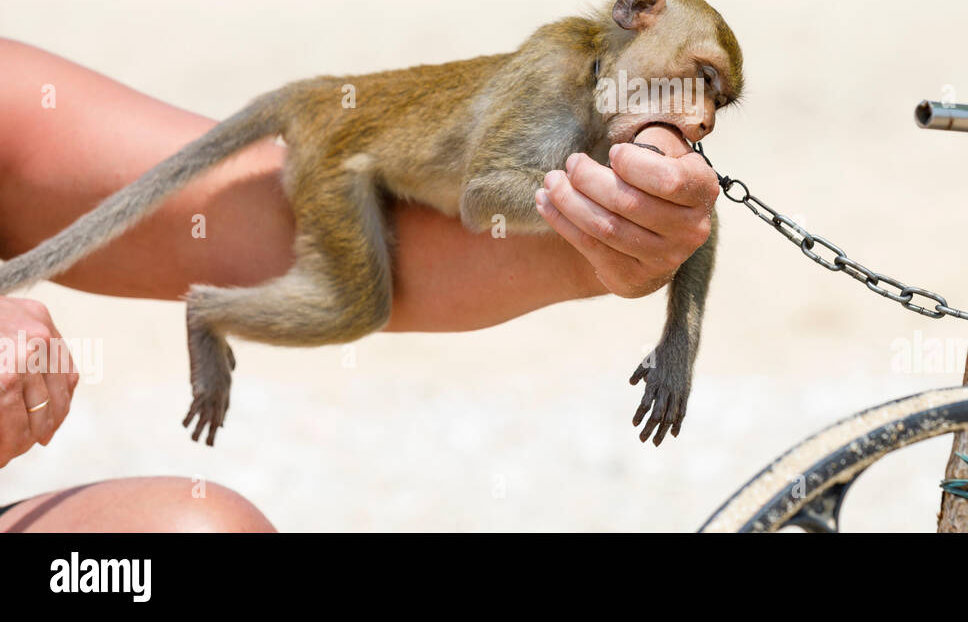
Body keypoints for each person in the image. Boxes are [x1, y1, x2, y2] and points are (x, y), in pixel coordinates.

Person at [0, 39, 720, 531]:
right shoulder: (562, 73)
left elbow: (253, 231)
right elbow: (487, 200)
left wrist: (633, 224)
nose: (708, 116)